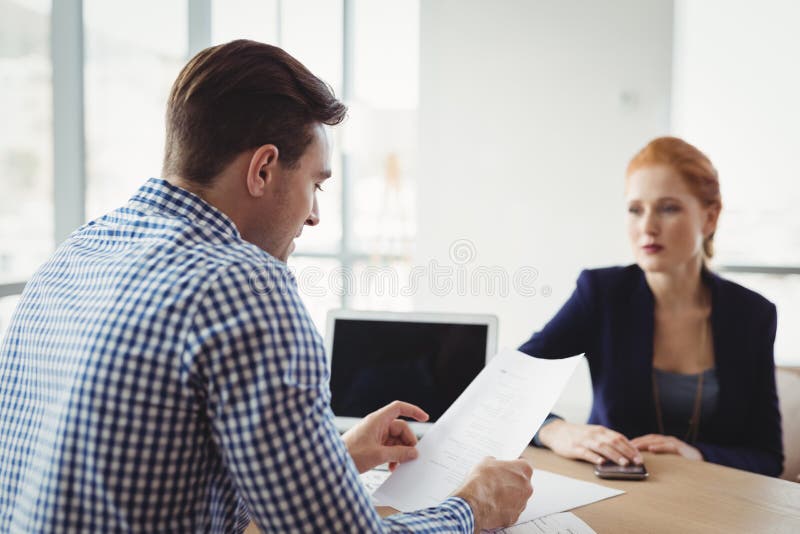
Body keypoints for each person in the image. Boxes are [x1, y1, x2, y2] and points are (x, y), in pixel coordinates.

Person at [0, 40, 532, 532]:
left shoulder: (77, 253)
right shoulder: (246, 285)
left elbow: (146, 477)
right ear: (263, 170)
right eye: (315, 184)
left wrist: (334, 456)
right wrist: (474, 506)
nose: (316, 215)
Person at [520, 137, 783, 477]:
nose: (647, 227)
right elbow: (509, 387)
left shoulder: (752, 315)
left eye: (668, 208)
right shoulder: (602, 294)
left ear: (710, 217)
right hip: (611, 495)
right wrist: (554, 430)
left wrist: (698, 454)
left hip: (713, 506)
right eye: (635, 210)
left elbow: (767, 457)